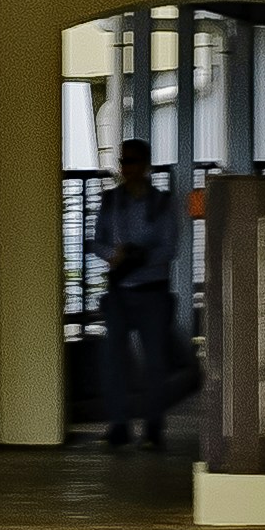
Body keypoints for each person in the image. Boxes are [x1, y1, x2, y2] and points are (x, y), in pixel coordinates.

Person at [96, 139, 184, 450]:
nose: (127, 168)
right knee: (114, 360)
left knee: (155, 362)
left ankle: (153, 426)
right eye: (123, 162)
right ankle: (119, 424)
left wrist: (137, 257)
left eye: (132, 162)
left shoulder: (162, 204)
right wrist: (114, 255)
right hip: (119, 291)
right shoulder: (110, 202)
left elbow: (169, 247)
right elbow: (97, 241)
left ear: (146, 165)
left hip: (152, 291)